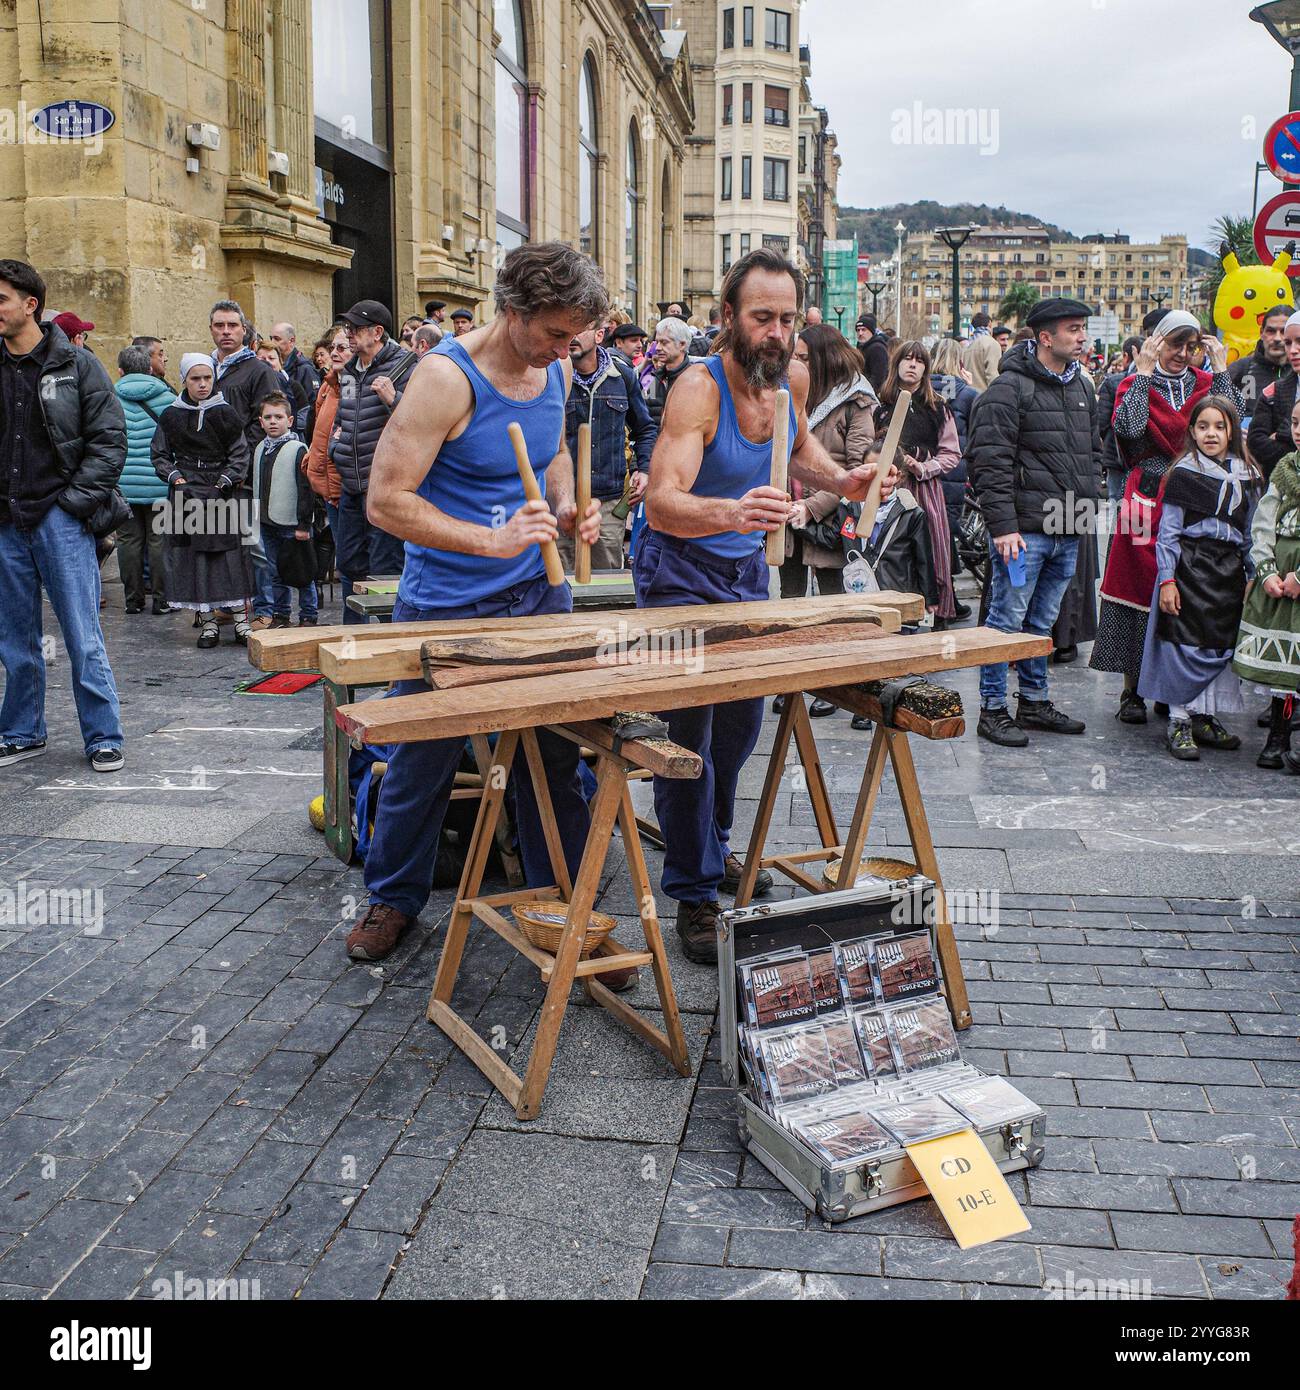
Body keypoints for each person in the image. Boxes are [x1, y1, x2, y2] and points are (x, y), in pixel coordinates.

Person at [343, 242, 605, 966]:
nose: (562, 352)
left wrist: (565, 504)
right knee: (422, 758)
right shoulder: (443, 379)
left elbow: (549, 452)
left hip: (538, 594)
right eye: (554, 334)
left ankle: (566, 898)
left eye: (574, 339)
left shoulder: (547, 368)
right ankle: (392, 898)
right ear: (513, 310)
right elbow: (385, 502)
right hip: (448, 605)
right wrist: (490, 542)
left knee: (554, 752)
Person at [638, 246, 891, 964]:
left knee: (737, 733)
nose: (778, 333)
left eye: (788, 319)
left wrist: (843, 482)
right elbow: (662, 503)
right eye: (762, 318)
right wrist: (730, 512)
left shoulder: (785, 389)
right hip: (681, 571)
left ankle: (711, 859)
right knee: (689, 740)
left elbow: (801, 448)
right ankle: (692, 891)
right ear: (728, 318)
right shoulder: (699, 388)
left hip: (745, 573)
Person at [0, 260, 126, 772]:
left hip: (60, 518)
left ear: (30, 305)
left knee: (81, 633)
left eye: (1, 299)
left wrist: (72, 506)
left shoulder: (76, 365)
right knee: (15, 637)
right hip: (6, 522)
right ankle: (22, 731)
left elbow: (109, 441)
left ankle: (103, 735)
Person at [1091, 311, 1243, 724]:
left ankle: (1170, 689)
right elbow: (1129, 428)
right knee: (1136, 587)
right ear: (1157, 342)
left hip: (1193, 494)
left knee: (1183, 592)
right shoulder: (1132, 382)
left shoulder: (1206, 383)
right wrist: (1141, 373)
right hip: (1145, 492)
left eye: (1188, 345)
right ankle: (1131, 690)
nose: (1181, 353)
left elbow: (1231, 420)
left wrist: (1223, 368)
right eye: (1173, 343)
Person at [968, 297, 1101, 747]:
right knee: (1005, 621)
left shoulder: (1082, 387)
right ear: (1046, 338)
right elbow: (989, 462)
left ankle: (1034, 701)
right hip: (1022, 534)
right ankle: (991, 708)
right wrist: (1003, 528)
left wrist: (1089, 503)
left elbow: (1092, 453)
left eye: (1082, 328)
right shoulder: (1008, 389)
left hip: (1068, 529)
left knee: (1041, 623)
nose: (1081, 336)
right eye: (1072, 329)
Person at [1137, 397, 1258, 760]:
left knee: (1218, 645)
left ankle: (1204, 716)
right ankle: (1178, 719)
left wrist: (1252, 573)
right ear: (1192, 431)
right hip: (1190, 567)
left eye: (1219, 427)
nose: (1211, 434)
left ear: (1232, 431)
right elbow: (1169, 533)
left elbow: (1251, 532)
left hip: (1228, 571)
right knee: (1182, 643)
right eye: (1203, 426)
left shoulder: (1248, 475)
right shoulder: (1184, 474)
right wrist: (1167, 580)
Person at [151, 354, 255, 648]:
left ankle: (240, 622)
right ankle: (208, 625)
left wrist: (226, 480)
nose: (202, 384)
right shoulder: (171, 415)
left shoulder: (226, 413)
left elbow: (239, 453)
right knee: (195, 558)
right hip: (186, 492)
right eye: (195, 379)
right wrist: (176, 478)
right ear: (185, 379)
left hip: (221, 491)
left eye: (207, 378)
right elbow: (159, 453)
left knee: (229, 557)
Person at [329, 300, 418, 621]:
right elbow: (344, 416)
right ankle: (353, 641)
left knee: (384, 568)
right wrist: (334, 450)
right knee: (350, 564)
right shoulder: (351, 371)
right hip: (352, 484)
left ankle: (386, 643)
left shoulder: (406, 366)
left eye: (356, 329)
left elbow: (422, 421)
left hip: (384, 485)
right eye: (348, 329)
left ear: (377, 332)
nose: (349, 335)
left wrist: (393, 398)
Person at [784, 323, 877, 604]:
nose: (795, 364)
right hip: (789, 519)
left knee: (834, 603)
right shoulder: (795, 397)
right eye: (794, 356)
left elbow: (856, 472)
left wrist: (812, 508)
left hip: (831, 524)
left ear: (824, 359)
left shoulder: (855, 403)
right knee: (789, 602)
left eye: (804, 358)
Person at [1234, 396, 1300, 770]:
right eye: (1294, 422)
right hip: (1280, 579)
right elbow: (1263, 524)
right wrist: (1267, 570)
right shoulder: (1285, 470)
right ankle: (1277, 737)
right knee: (1282, 667)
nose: (1299, 431)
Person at [560, 320, 657, 572]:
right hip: (562, 502)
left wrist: (644, 469)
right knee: (560, 588)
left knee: (606, 586)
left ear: (599, 334)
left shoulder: (622, 376)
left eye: (580, 327)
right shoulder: (551, 376)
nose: (572, 334)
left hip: (607, 503)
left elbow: (645, 428)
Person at [874, 341, 960, 624]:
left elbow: (951, 453)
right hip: (888, 490)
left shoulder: (937, 408)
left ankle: (939, 614)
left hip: (924, 491)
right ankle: (894, 614)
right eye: (907, 359)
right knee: (892, 552)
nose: (913, 365)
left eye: (919, 361)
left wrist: (922, 467)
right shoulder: (881, 407)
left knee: (933, 549)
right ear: (896, 364)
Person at [113, 344, 176, 615]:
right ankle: (162, 600)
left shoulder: (109, 397)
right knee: (159, 542)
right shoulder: (167, 398)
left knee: (127, 542)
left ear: (120, 370)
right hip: (159, 483)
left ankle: (133, 600)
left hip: (124, 484)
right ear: (149, 368)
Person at [251, 392, 317, 629]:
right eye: (267, 417)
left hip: (292, 524)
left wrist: (303, 524)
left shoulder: (298, 448)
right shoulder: (260, 448)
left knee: (301, 572)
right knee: (275, 571)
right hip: (268, 522)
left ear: (289, 420)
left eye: (278, 417)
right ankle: (281, 614)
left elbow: (305, 488)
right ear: (260, 421)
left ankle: (308, 615)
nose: (273, 421)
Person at [929, 337, 978, 607]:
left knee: (930, 533)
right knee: (946, 534)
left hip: (926, 470)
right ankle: (947, 599)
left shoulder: (922, 388)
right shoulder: (968, 394)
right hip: (955, 473)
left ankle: (937, 597)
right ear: (960, 361)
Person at [304, 325, 348, 577]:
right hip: (327, 488)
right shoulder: (327, 386)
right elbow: (319, 430)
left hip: (348, 488)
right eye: (332, 348)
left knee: (353, 565)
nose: (333, 354)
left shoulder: (353, 387)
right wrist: (311, 462)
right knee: (344, 561)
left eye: (341, 348)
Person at [1246, 310, 1300, 481]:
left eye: (1299, 341)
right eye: (1288, 343)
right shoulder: (1274, 391)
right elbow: (1256, 444)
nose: (1293, 350)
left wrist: (1281, 434)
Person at [1229, 303, 1291, 429]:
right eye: (1271, 331)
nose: (1277, 338)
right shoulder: (1240, 369)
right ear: (1262, 332)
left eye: (1284, 331)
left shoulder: (1297, 373)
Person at [1099, 336, 1144, 505]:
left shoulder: (1113, 382)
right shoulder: (1157, 382)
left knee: (1116, 501)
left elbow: (1102, 423)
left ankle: (1115, 532)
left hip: (1116, 457)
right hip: (1142, 460)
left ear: (1126, 356)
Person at [645, 316, 700, 428]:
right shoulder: (652, 378)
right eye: (657, 342)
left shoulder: (697, 380)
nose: (658, 348)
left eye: (664, 342)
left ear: (682, 345)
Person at [270, 322, 322, 434]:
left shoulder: (305, 369)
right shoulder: (278, 367)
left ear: (291, 341)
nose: (272, 343)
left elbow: (314, 406)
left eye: (277, 339)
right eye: (271, 338)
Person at [963, 311, 1002, 391]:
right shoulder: (992, 344)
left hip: (967, 395)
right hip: (984, 397)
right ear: (989, 324)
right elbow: (993, 375)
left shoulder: (966, 346)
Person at [854, 313, 889, 392]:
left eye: (863, 329)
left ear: (871, 331)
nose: (860, 333)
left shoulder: (877, 348)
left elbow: (878, 377)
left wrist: (867, 392)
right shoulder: (862, 347)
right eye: (858, 330)